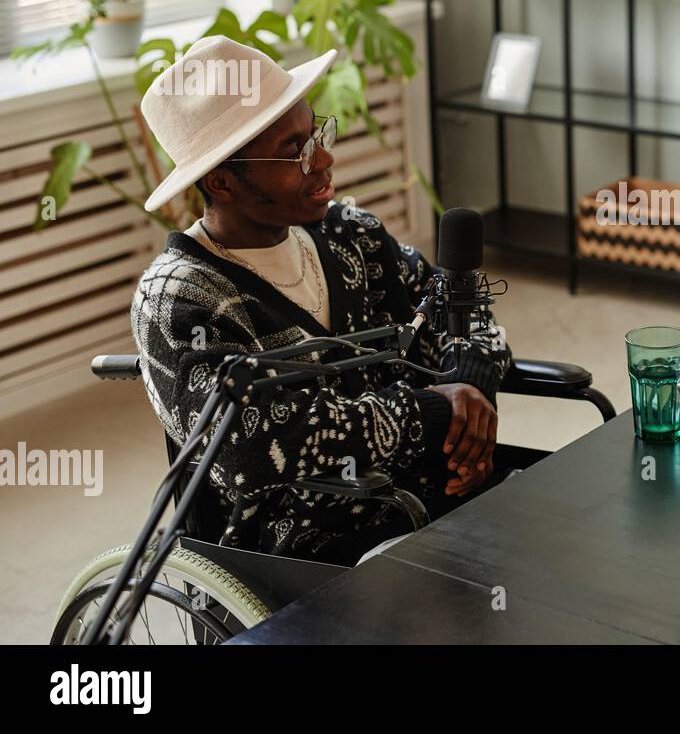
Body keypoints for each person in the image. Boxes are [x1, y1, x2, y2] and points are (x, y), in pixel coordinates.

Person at [130, 36, 511, 564]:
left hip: (430, 498)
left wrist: (470, 383)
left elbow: (458, 305)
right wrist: (432, 411)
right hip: (303, 555)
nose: (325, 159)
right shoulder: (180, 299)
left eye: (317, 134)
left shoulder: (351, 235)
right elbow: (252, 447)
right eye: (295, 151)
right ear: (221, 181)